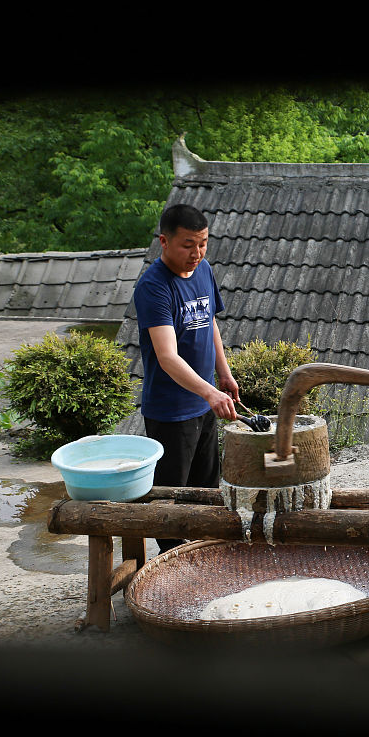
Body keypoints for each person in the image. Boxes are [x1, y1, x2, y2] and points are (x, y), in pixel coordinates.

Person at [132, 204, 239, 553]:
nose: (197, 253)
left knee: (207, 491)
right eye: (188, 245)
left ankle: (205, 555)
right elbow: (167, 357)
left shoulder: (204, 270)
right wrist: (210, 393)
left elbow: (210, 324)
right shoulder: (153, 287)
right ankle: (172, 564)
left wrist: (223, 373)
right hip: (170, 411)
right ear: (164, 242)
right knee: (172, 499)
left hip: (203, 404)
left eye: (203, 243)